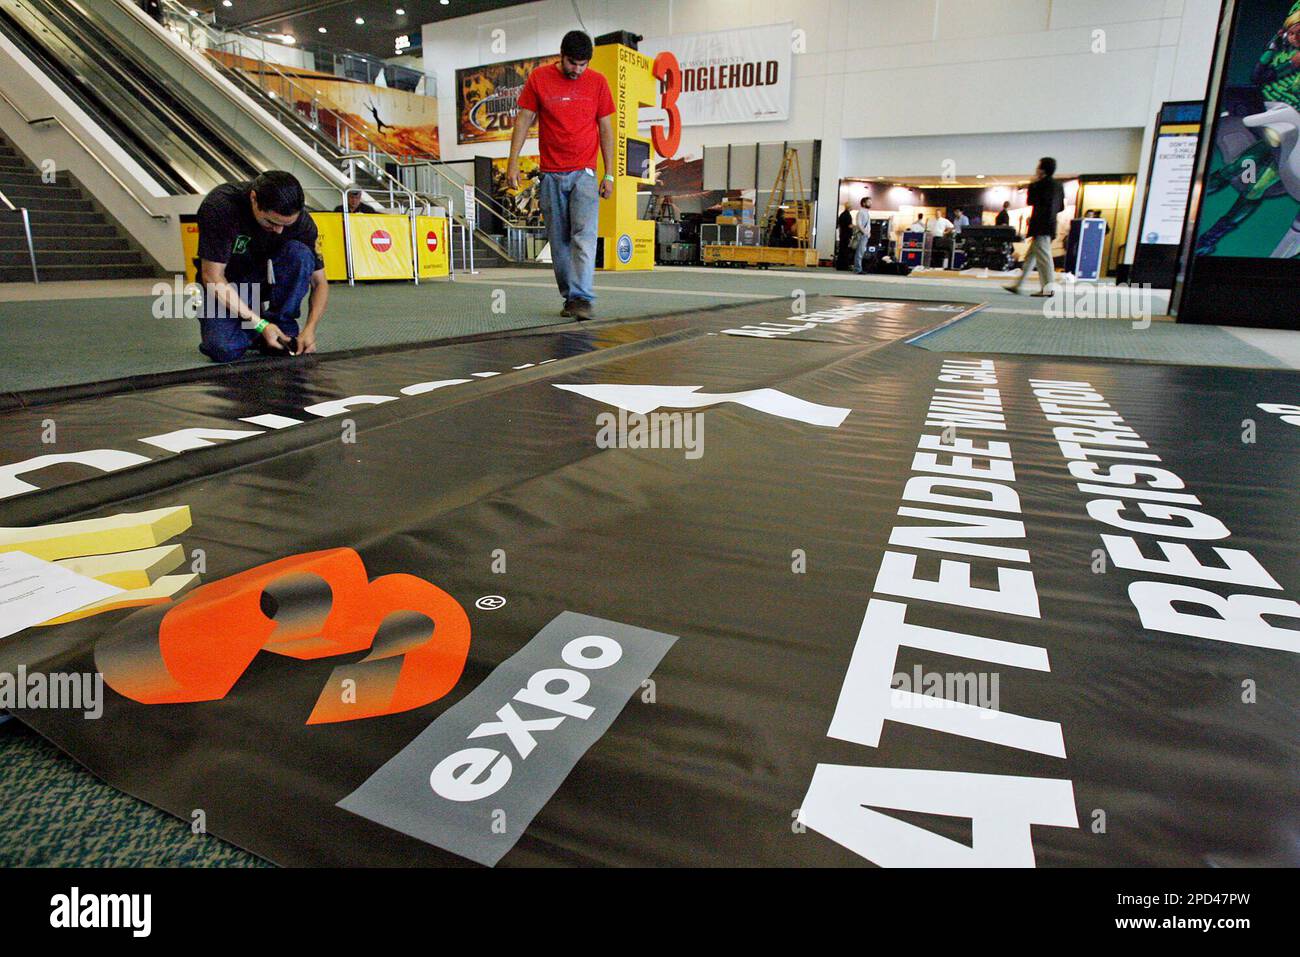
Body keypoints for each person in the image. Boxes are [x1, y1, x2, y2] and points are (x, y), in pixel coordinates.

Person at [507, 30, 615, 321]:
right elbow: (523, 120)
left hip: (585, 174)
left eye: (583, 64)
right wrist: (512, 162)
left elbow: (606, 129)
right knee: (559, 242)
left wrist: (611, 174)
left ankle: (581, 296)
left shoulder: (598, 83)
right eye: (572, 63)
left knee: (584, 236)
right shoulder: (539, 79)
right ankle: (571, 296)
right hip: (551, 175)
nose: (577, 70)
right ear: (561, 55)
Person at [195, 170, 328, 362]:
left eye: (286, 224)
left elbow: (320, 283)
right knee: (222, 349)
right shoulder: (221, 207)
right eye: (271, 222)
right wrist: (260, 325)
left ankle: (280, 323)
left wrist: (310, 329)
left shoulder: (303, 223)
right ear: (254, 199)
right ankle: (262, 327)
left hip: (264, 280)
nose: (279, 230)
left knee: (300, 253)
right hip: (226, 283)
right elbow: (212, 277)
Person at [1006, 156, 1065, 296]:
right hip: (1050, 225)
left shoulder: (1039, 185)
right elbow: (1061, 207)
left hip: (1040, 225)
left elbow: (1030, 200)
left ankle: (1048, 288)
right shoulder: (1058, 185)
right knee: (1030, 258)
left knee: (1044, 258)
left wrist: (1032, 185)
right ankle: (1018, 285)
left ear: (1042, 170)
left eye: (1038, 167)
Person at [853, 196, 875, 274]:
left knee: (861, 252)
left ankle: (858, 268)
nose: (870, 203)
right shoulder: (861, 212)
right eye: (868, 202)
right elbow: (859, 224)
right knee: (859, 252)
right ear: (863, 203)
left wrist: (868, 233)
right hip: (862, 235)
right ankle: (858, 269)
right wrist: (865, 232)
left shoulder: (865, 212)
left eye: (870, 202)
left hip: (865, 235)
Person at [835, 203, 854, 270]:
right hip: (846, 235)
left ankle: (840, 265)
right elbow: (849, 225)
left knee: (841, 250)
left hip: (842, 234)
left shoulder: (842, 215)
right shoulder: (848, 215)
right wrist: (855, 227)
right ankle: (844, 266)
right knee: (845, 251)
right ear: (849, 207)